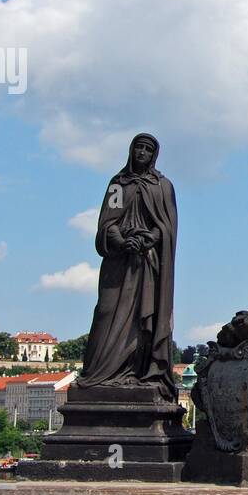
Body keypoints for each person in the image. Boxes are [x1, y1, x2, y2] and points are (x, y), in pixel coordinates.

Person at [78, 133, 178, 398]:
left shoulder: (163, 186)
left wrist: (150, 239)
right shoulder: (117, 186)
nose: (142, 153)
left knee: (144, 318)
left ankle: (138, 371)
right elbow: (106, 224)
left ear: (154, 155)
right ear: (131, 150)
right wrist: (122, 242)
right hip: (119, 262)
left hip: (148, 263)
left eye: (147, 149)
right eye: (138, 147)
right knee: (106, 311)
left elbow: (168, 228)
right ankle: (98, 373)